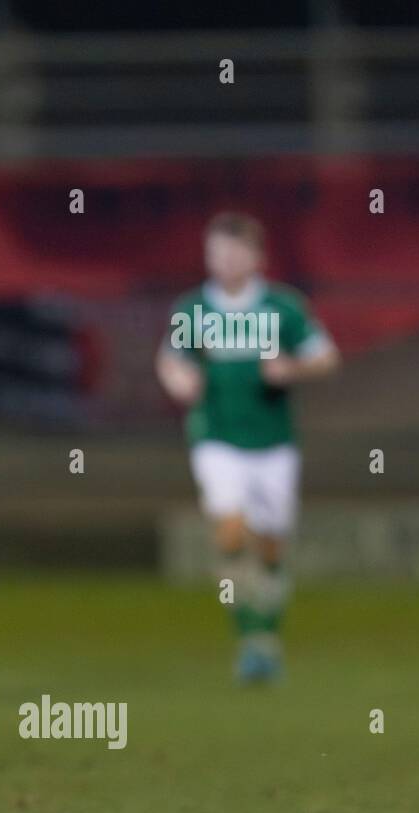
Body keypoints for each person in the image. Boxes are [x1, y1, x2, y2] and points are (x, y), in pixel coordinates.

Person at [156, 212, 340, 684]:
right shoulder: (193, 307)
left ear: (257, 257)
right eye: (216, 251)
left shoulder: (282, 307)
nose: (225, 261)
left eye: (235, 252)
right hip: (216, 439)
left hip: (274, 444)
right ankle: (249, 640)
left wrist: (293, 370)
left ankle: (267, 637)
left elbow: (325, 357)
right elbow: (171, 359)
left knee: (271, 544)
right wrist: (180, 380)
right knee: (231, 533)